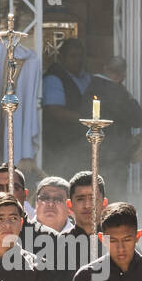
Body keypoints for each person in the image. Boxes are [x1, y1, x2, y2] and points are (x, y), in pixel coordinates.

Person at [79, 56, 142, 195]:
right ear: (123, 75)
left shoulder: (91, 86)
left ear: (105, 68)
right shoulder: (115, 91)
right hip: (114, 156)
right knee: (113, 199)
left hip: (88, 152)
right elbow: (138, 119)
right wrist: (130, 98)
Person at [42, 38, 92, 180]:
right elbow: (54, 111)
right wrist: (85, 120)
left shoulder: (85, 77)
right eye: (73, 56)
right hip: (61, 143)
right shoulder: (54, 79)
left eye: (80, 56)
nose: (78, 60)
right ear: (63, 57)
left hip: (82, 143)